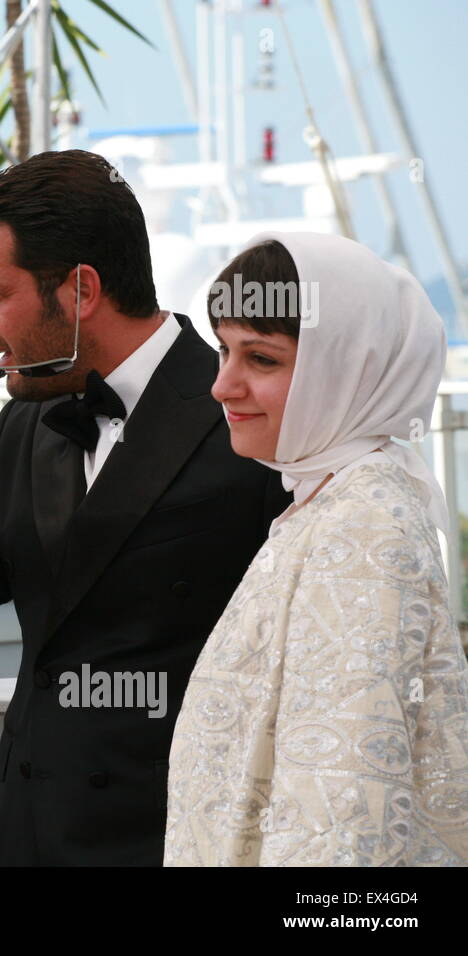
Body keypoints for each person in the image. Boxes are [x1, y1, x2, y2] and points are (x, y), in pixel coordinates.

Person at [0, 149, 293, 865]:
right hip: (27, 832)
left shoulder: (243, 416)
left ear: (81, 291)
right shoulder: (27, 422)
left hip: (174, 837)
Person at [165, 232, 468, 866]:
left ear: (348, 366)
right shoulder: (327, 500)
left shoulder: (365, 527)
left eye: (262, 359)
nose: (223, 385)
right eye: (224, 351)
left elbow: (344, 808)